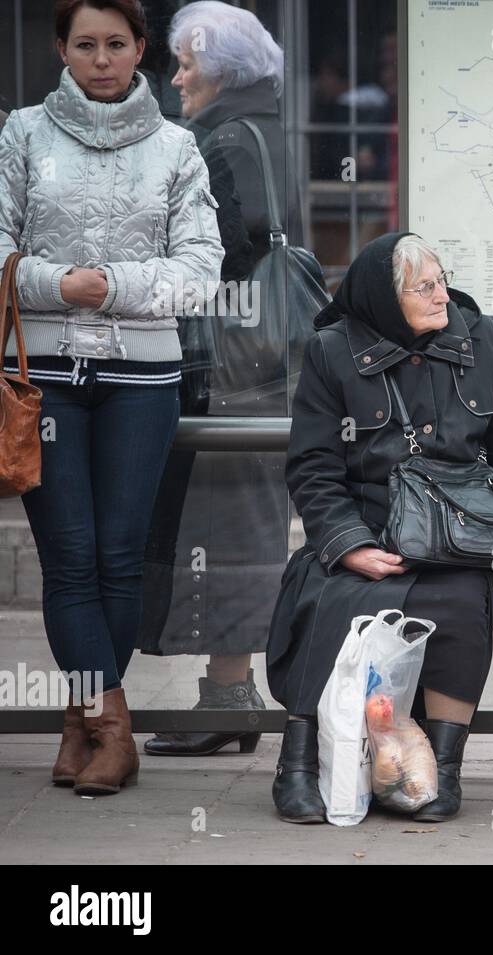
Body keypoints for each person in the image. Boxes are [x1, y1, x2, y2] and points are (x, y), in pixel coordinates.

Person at [266, 232, 493, 824]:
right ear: (384, 296)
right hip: (368, 527)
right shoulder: (332, 350)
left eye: (442, 279)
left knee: (457, 604)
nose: (441, 294)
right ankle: (297, 765)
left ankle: (440, 772)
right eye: (423, 286)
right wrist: (349, 545)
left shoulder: (482, 339)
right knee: (332, 597)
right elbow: (313, 467)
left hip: (466, 535)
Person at [0, 0, 222, 795]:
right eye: (85, 44)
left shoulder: (177, 147)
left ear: (140, 51)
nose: (101, 59)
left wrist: (111, 287)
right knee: (69, 563)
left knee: (120, 559)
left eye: (116, 44)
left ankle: (81, 720)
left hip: (143, 378)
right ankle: (114, 727)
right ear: (61, 48)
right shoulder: (20, 133)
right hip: (43, 379)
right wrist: (58, 283)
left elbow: (200, 269)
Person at [140, 0, 310, 758]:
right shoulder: (271, 128)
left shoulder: (221, 137)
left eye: (187, 65)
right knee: (239, 525)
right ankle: (226, 689)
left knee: (223, 525)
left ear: (223, 74)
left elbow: (229, 245)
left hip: (227, 367)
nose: (176, 79)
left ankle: (230, 694)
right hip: (262, 364)